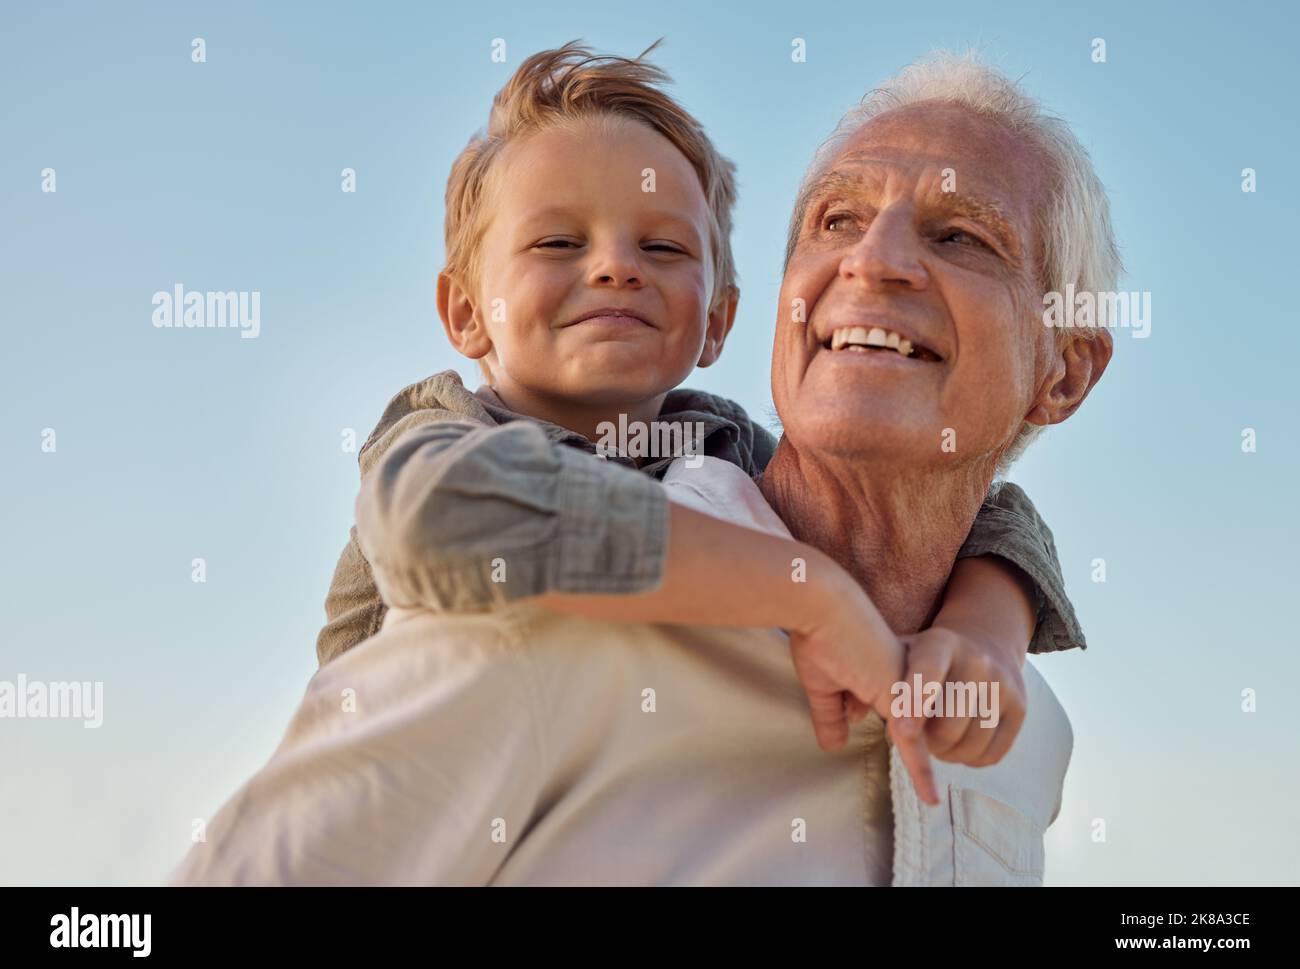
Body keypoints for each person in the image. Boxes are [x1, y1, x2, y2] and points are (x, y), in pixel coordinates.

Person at [173, 49, 1116, 885]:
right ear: (465, 314)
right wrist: (806, 591)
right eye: (837, 220)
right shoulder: (530, 579)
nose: (874, 262)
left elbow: (999, 514)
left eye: (961, 235)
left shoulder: (1024, 737)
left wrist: (991, 628)